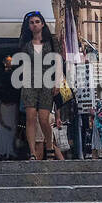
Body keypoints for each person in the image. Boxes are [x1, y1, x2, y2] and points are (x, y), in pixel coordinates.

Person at [17, 10, 64, 160]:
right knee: (30, 117)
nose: (35, 25)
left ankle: (49, 145)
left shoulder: (52, 41)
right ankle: (32, 152)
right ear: (28, 26)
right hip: (30, 82)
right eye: (32, 23)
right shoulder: (25, 43)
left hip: (47, 82)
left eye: (37, 22)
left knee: (44, 119)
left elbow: (58, 61)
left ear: (43, 24)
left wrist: (57, 82)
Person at [0, 57, 20, 160]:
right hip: (5, 105)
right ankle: (4, 152)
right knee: (4, 132)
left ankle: (10, 151)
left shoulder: (14, 80)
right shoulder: (3, 80)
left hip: (11, 105)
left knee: (11, 132)